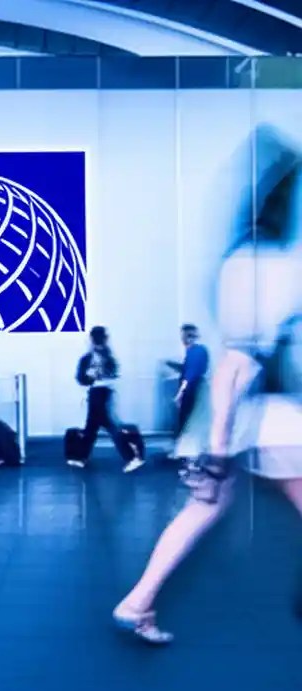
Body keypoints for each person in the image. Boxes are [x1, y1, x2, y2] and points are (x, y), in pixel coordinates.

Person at [114, 125, 302, 642]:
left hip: (240, 416)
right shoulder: (271, 267)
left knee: (204, 507)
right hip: (268, 419)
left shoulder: (239, 261)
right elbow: (240, 361)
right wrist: (219, 448)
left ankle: (137, 602)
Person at [70, 326, 145, 473]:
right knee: (93, 427)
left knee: (106, 426)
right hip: (101, 393)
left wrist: (92, 377)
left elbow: (82, 378)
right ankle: (82, 458)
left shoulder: (94, 358)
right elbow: (87, 377)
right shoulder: (105, 357)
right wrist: (93, 376)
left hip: (99, 394)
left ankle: (131, 456)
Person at [166, 324, 210, 455]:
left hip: (192, 390)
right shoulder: (199, 351)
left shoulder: (195, 351)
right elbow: (189, 369)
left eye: (184, 336)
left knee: (185, 418)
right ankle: (188, 448)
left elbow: (190, 375)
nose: (183, 339)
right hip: (197, 388)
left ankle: (182, 450)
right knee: (190, 419)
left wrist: (180, 393)